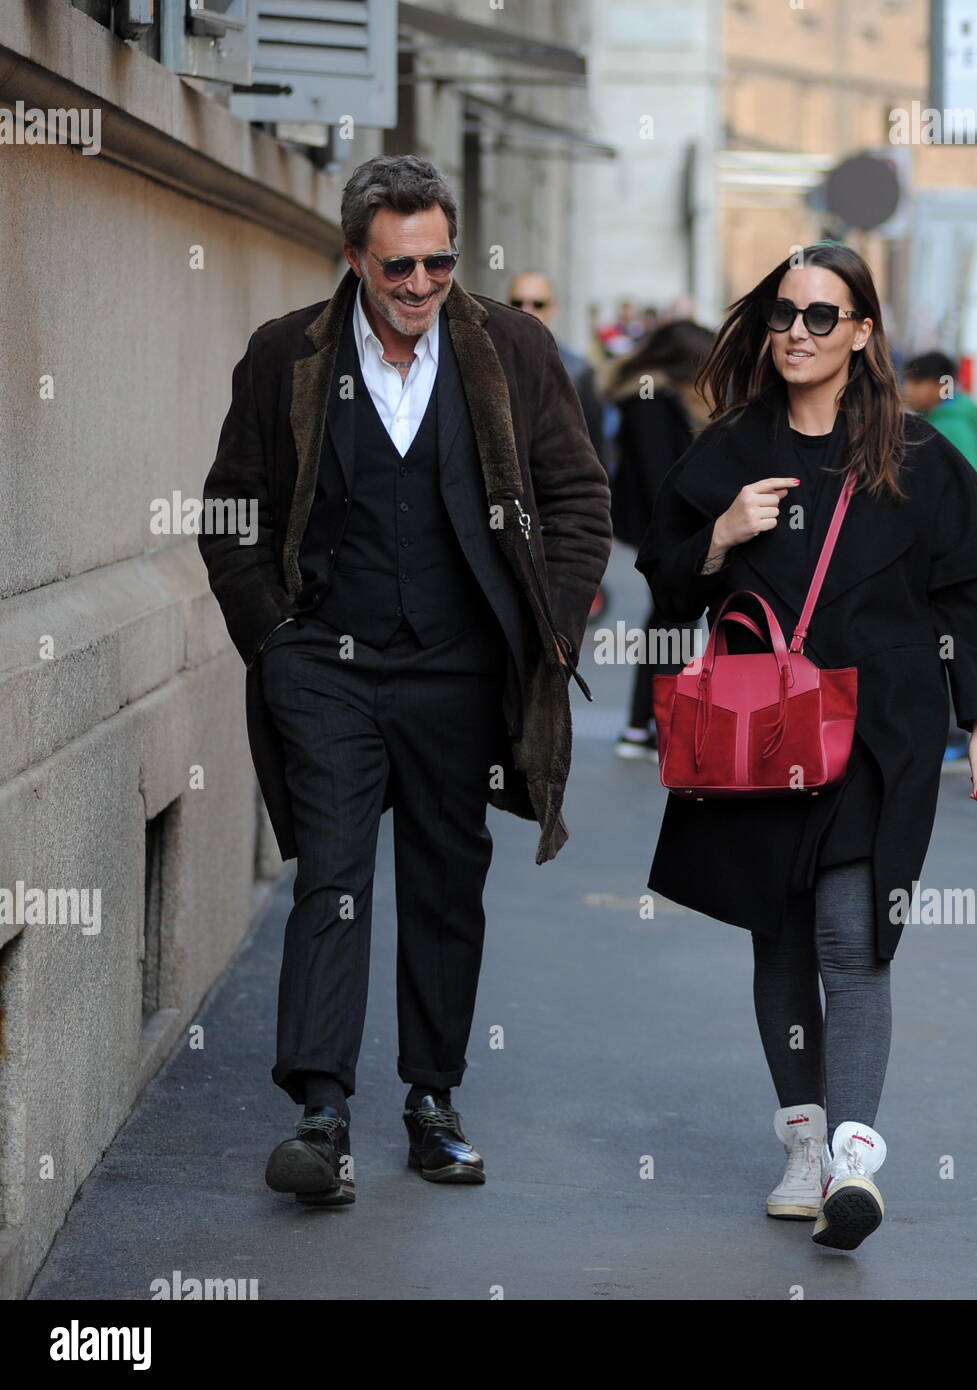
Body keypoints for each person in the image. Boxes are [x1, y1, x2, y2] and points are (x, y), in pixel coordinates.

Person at [198, 155, 611, 1207]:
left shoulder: (511, 349)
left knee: (444, 885)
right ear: (353, 256)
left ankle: (433, 1100)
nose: (421, 284)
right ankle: (321, 1113)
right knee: (332, 878)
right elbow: (231, 512)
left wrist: (547, 635)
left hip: (459, 669)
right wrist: (276, 646)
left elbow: (577, 500)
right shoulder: (286, 353)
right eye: (398, 267)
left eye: (439, 262)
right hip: (326, 667)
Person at [635, 243, 977, 1250]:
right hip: (764, 727)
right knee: (780, 934)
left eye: (821, 316)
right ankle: (802, 1144)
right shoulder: (730, 450)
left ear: (861, 332)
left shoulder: (918, 457)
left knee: (854, 941)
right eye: (783, 315)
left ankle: (855, 1157)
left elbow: (961, 597)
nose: (797, 333)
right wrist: (720, 534)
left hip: (882, 730)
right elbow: (669, 585)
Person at [605, 320, 716, 759]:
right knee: (672, 620)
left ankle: (642, 724)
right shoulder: (649, 400)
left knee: (667, 620)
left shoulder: (650, 395)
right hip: (660, 526)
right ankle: (651, 722)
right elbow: (658, 476)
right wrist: (678, 531)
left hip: (659, 524)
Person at [902, 350, 977, 760]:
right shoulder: (956, 417)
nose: (906, 390)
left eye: (912, 381)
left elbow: (960, 491)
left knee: (947, 640)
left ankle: (955, 734)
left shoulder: (948, 427)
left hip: (945, 558)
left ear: (935, 384)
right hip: (949, 554)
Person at [507, 269, 609, 471]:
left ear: (552, 308)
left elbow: (595, 450)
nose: (526, 311)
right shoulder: (487, 360)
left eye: (537, 304)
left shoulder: (578, 370)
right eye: (517, 303)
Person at [901, 350, 977, 477]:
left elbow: (973, 479)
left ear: (942, 385)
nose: (907, 389)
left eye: (916, 383)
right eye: (906, 381)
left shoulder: (955, 427)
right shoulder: (936, 420)